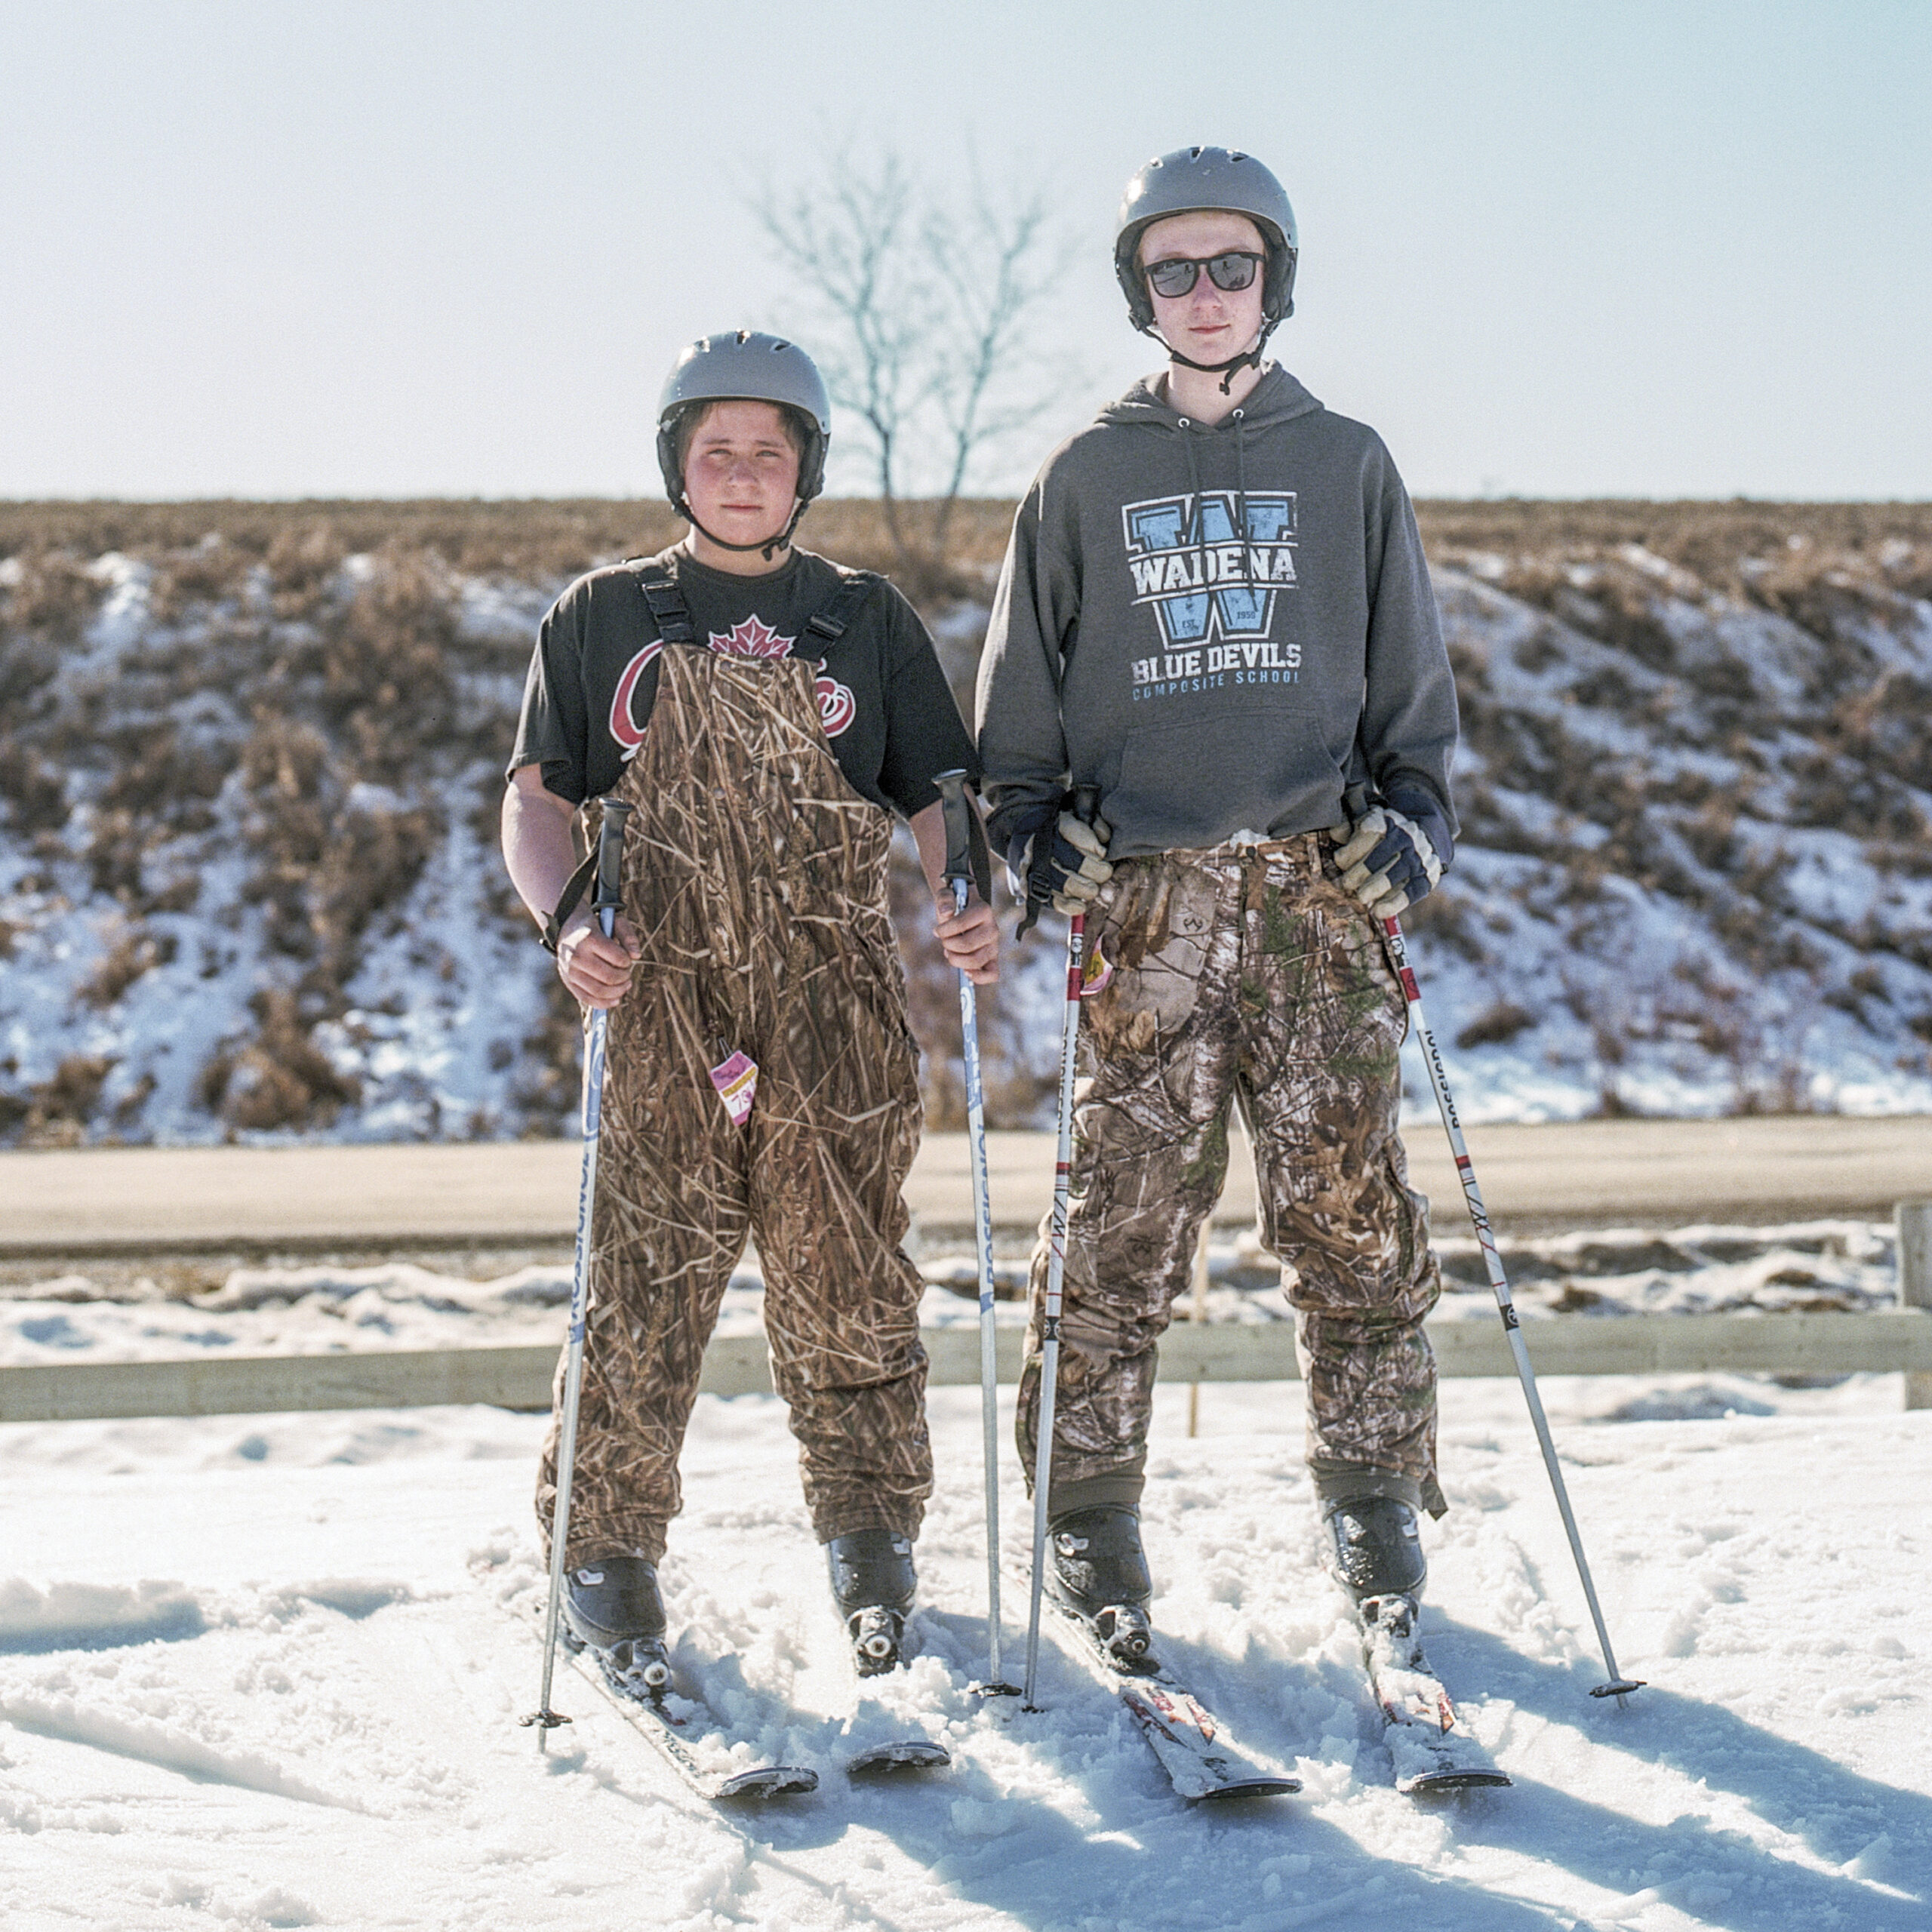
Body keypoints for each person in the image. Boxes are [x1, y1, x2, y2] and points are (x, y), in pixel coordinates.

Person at [974, 147, 1459, 1663]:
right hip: (1147, 902)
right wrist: (1028, 834)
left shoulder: (1347, 464)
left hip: (1316, 895)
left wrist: (1414, 828)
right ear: (1140, 291)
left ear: (1272, 280)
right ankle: (1086, 1517)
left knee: (1351, 1218)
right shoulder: (1079, 476)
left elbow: (1411, 700)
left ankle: (1376, 1516)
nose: (1201, 293)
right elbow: (1018, 709)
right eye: (1169, 270)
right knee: (1115, 1227)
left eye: (1227, 266)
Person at [502, 330, 998, 1682]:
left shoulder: (869, 620)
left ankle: (872, 1542)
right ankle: (600, 1553)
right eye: (714, 449)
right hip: (663, 1000)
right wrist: (564, 923)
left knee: (852, 1280)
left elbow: (938, 795)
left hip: (835, 1005)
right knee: (643, 1289)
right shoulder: (603, 614)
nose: (739, 472)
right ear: (677, 464)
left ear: (805, 472)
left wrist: (966, 896)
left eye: (766, 452)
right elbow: (536, 797)